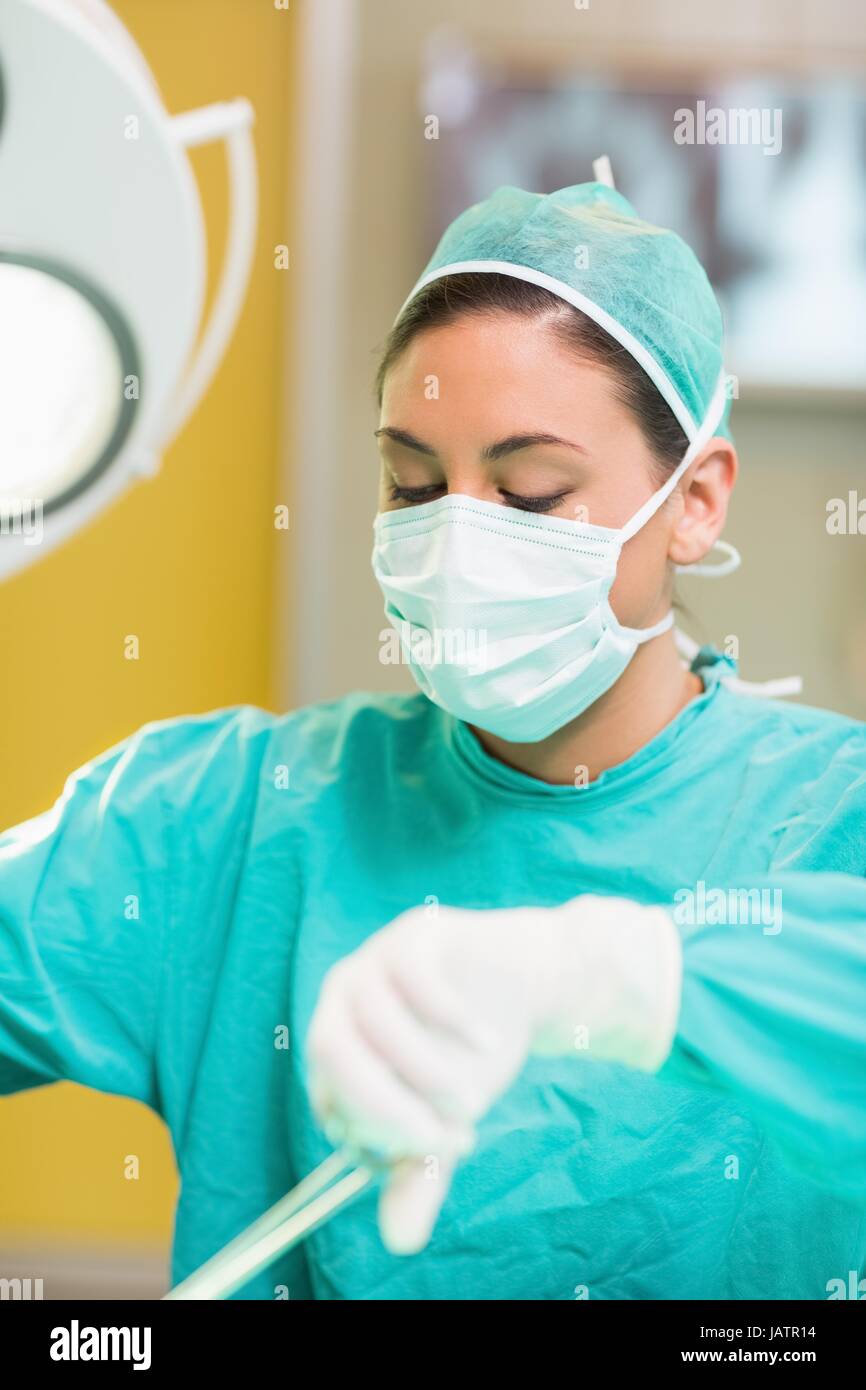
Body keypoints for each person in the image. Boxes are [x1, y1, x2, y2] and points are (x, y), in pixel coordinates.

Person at [1, 181, 864, 1301]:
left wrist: (607, 974)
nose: (457, 536)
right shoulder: (230, 817)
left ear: (693, 501)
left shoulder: (827, 818)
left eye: (530, 491)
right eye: (412, 485)